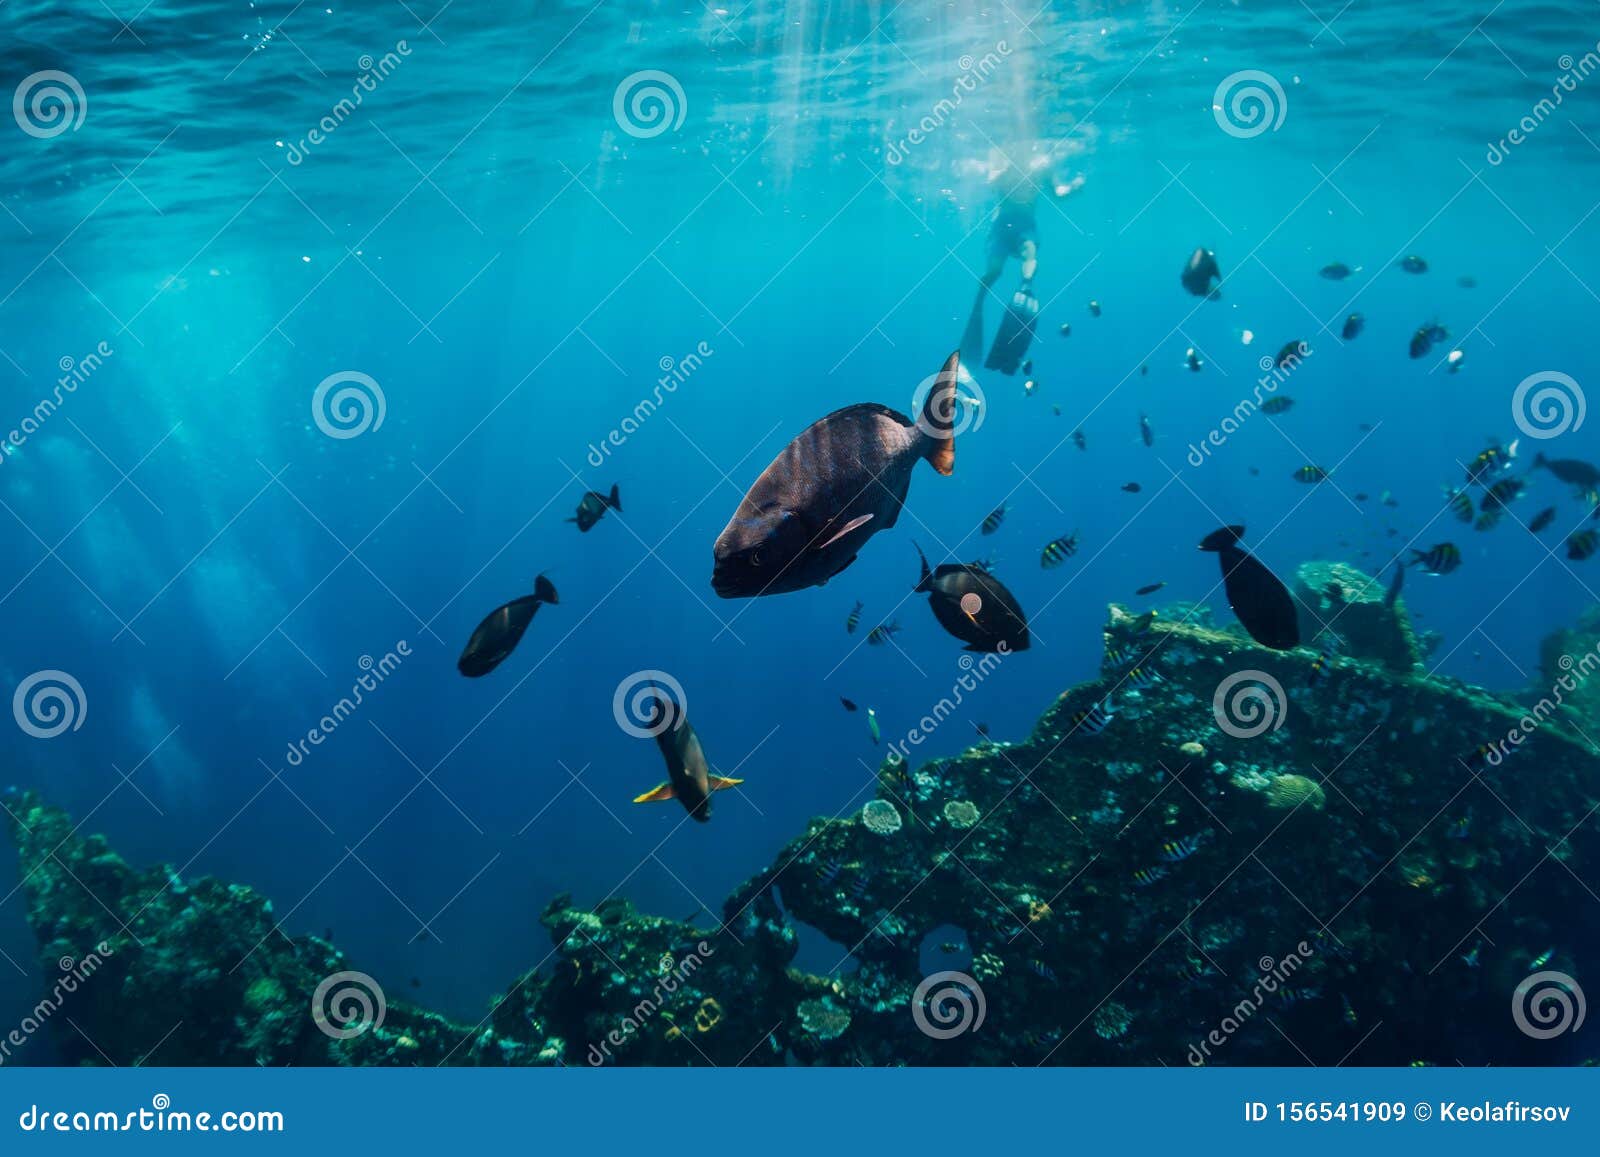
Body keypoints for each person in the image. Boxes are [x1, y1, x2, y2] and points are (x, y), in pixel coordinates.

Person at [961, 159, 1081, 374]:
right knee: (994, 271)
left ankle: (1026, 285)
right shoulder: (1000, 161)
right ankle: (980, 299)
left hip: (1025, 225)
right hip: (1001, 226)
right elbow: (991, 182)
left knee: (1030, 250)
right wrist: (1006, 170)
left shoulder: (1042, 166)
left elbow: (1057, 193)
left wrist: (1074, 187)